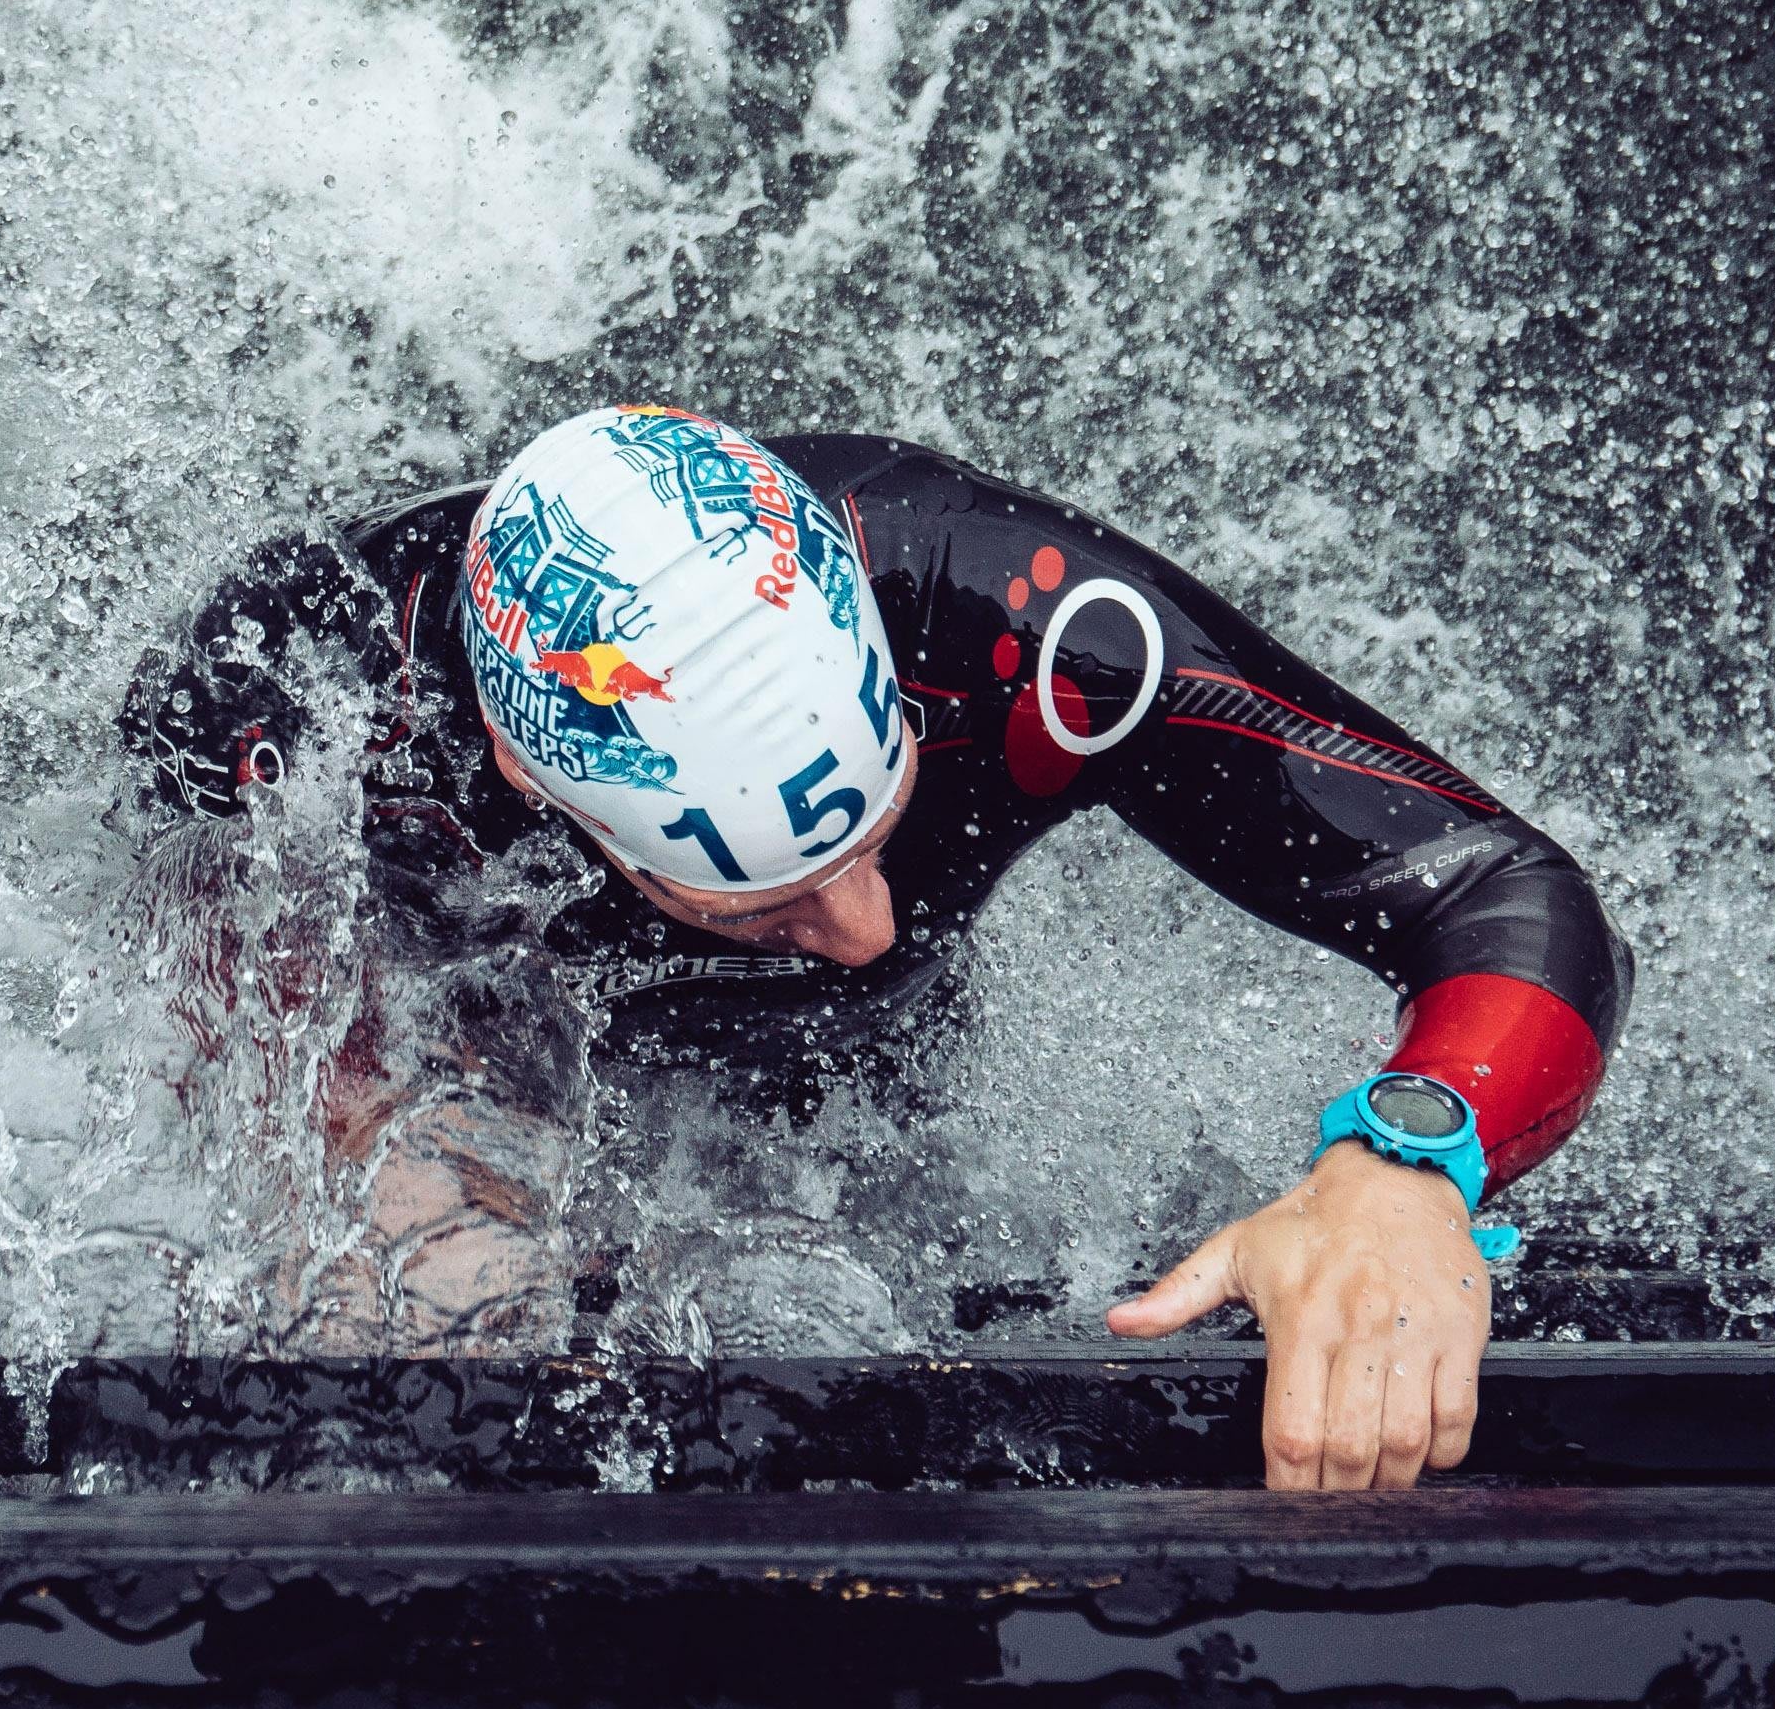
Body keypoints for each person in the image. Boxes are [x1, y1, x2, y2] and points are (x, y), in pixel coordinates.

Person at [122, 406, 1631, 1490]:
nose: (866, 928)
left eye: (879, 820)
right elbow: (196, 942)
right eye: (766, 897)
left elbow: (1497, 884)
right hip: (499, 1031)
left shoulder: (1016, 618)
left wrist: (1410, 1159)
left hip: (863, 1121)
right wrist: (363, 1157)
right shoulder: (307, 686)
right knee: (423, 1319)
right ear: (541, 794)